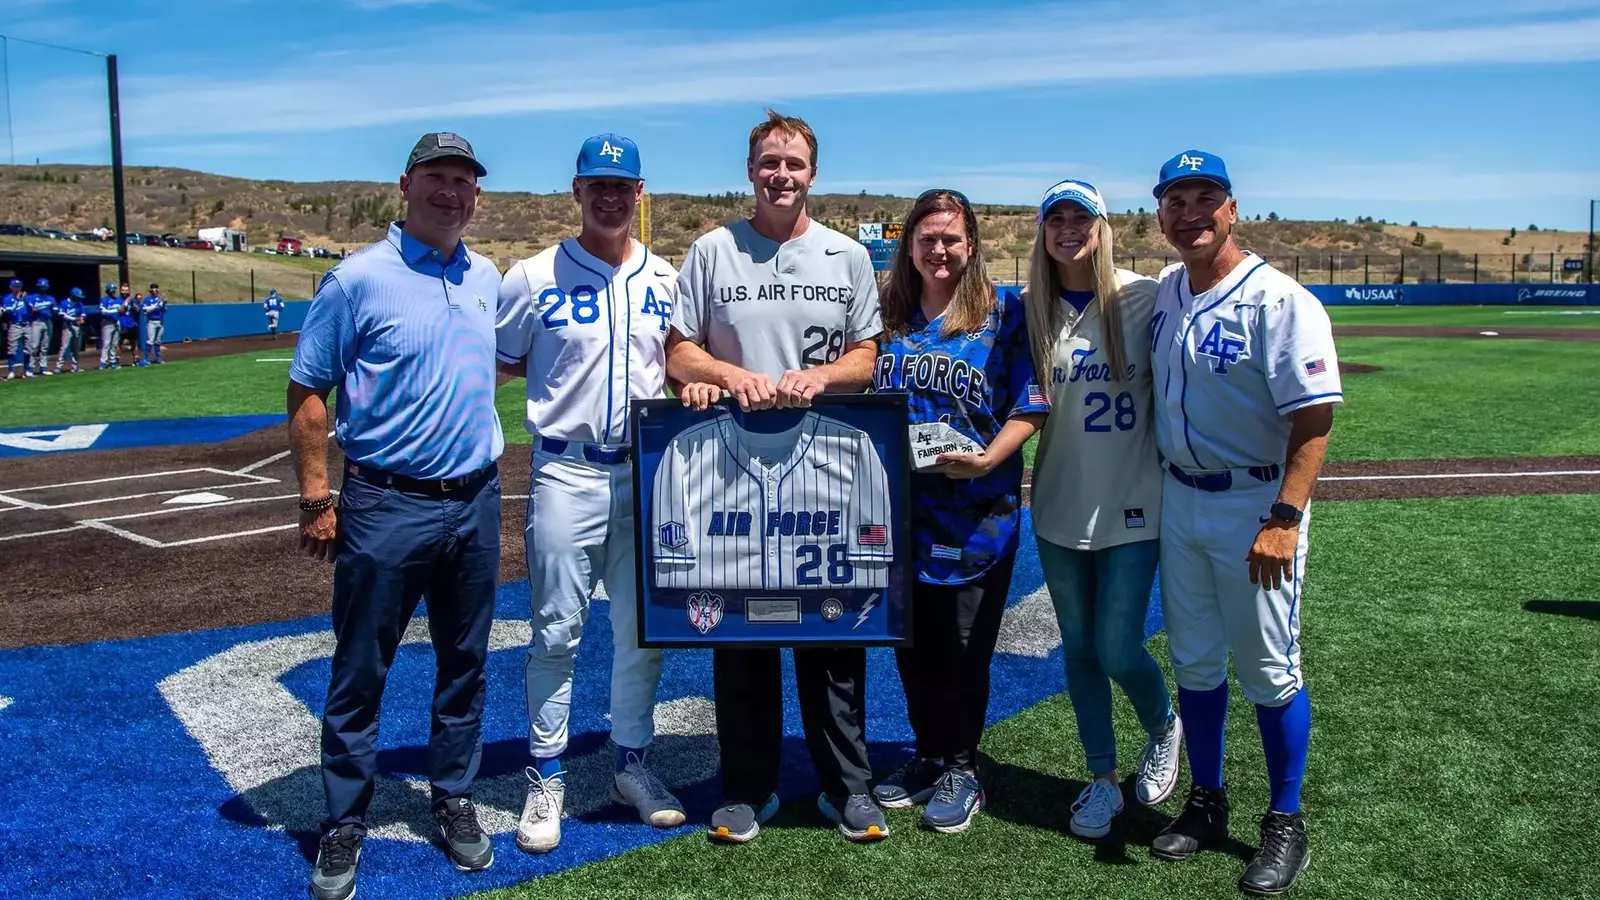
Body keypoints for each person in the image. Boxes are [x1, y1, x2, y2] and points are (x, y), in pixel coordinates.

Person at [287, 132, 505, 900]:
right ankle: (344, 820)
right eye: (439, 179)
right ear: (406, 185)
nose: (452, 193)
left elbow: (491, 361)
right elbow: (309, 391)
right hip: (386, 501)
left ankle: (453, 797)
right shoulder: (357, 280)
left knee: (466, 663)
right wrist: (319, 498)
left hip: (476, 497)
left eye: (464, 181)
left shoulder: (486, 276)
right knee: (360, 667)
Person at [667, 109, 888, 843]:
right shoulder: (711, 251)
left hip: (820, 470)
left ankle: (847, 790)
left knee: (833, 634)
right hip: (733, 473)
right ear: (751, 171)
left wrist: (818, 378)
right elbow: (681, 355)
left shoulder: (847, 256)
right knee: (743, 639)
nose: (781, 175)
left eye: (793, 163)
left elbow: (866, 358)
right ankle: (747, 788)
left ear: (813, 174)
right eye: (769, 162)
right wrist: (732, 376)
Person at [1145, 150, 1340, 895]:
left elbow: (1314, 418)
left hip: (1256, 505)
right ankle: (1207, 800)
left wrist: (1286, 516)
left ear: (1233, 209)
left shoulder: (1281, 301)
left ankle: (1285, 819)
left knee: (1268, 668)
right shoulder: (1166, 292)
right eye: (1175, 200)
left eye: (1205, 198)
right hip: (1181, 499)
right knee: (1194, 661)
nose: (1190, 213)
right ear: (1159, 213)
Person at [494, 133, 687, 854]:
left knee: (642, 630)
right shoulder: (532, 275)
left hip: (645, 470)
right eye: (596, 184)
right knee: (555, 632)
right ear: (576, 192)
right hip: (566, 470)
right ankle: (546, 775)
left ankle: (632, 765)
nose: (609, 196)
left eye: (622, 185)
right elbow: (500, 364)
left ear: (640, 194)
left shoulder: (665, 277)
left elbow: (684, 360)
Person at [867, 189, 1048, 834]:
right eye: (926, 238)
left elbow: (1031, 401)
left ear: (970, 244)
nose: (938, 250)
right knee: (914, 645)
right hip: (900, 513)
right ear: (907, 244)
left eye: (950, 239)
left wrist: (988, 459)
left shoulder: (1003, 311)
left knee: (966, 649)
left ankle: (962, 767)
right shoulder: (888, 314)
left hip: (979, 511)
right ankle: (927, 754)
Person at [1020, 179, 1183, 839]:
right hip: (1058, 505)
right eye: (1055, 218)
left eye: (1079, 218)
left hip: (1133, 506)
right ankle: (1101, 780)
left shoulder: (1145, 298)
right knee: (1079, 650)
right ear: (1042, 231)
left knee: (1118, 647)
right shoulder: (1029, 308)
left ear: (1102, 226)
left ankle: (1163, 725)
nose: (1067, 229)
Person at [55, 287, 85, 374]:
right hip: (67, 327)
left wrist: (81, 318)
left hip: (77, 327)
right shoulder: (64, 303)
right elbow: (62, 314)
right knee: (64, 347)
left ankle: (75, 367)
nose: (78, 298)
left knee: (76, 348)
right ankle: (58, 366)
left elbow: (83, 314)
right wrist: (74, 319)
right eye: (77, 296)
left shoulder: (79, 304)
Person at [3, 279, 26, 380]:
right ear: (11, 287)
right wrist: (18, 300)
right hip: (14, 324)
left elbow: (32, 309)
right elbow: (9, 311)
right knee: (12, 349)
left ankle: (27, 371)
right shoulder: (7, 298)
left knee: (29, 349)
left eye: (19, 286)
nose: (18, 288)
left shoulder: (26, 297)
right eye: (16, 286)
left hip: (27, 324)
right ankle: (11, 371)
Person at [99, 283, 123, 369]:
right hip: (107, 324)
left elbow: (123, 311)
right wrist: (116, 311)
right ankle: (103, 362)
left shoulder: (119, 300)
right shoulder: (104, 300)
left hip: (116, 323)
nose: (113, 292)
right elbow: (103, 312)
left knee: (114, 344)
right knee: (106, 344)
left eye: (114, 290)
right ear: (108, 291)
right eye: (112, 290)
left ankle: (112, 362)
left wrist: (123, 310)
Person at [141, 284, 167, 364]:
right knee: (150, 340)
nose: (155, 292)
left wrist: (164, 305)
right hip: (151, 321)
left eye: (156, 290)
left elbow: (164, 310)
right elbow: (145, 309)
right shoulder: (147, 299)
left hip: (160, 321)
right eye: (153, 290)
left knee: (158, 341)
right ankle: (146, 358)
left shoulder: (160, 299)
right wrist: (156, 306)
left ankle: (158, 358)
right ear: (150, 291)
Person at [118, 285, 140, 359]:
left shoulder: (133, 300)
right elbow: (120, 311)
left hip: (131, 325)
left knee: (134, 343)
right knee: (119, 344)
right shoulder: (118, 300)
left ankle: (136, 359)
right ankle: (117, 361)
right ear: (120, 291)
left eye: (126, 290)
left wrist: (133, 304)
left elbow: (137, 310)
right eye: (123, 290)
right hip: (122, 325)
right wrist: (126, 302)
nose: (125, 292)